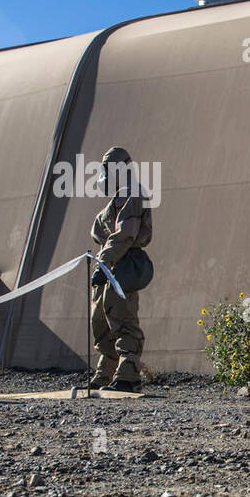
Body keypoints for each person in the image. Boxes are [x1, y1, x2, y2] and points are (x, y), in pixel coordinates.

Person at [89, 146, 151, 393]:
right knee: (101, 320)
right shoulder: (119, 197)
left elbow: (125, 234)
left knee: (122, 317)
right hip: (109, 263)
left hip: (122, 264)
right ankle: (105, 374)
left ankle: (128, 375)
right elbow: (100, 229)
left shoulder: (133, 194)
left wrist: (104, 261)